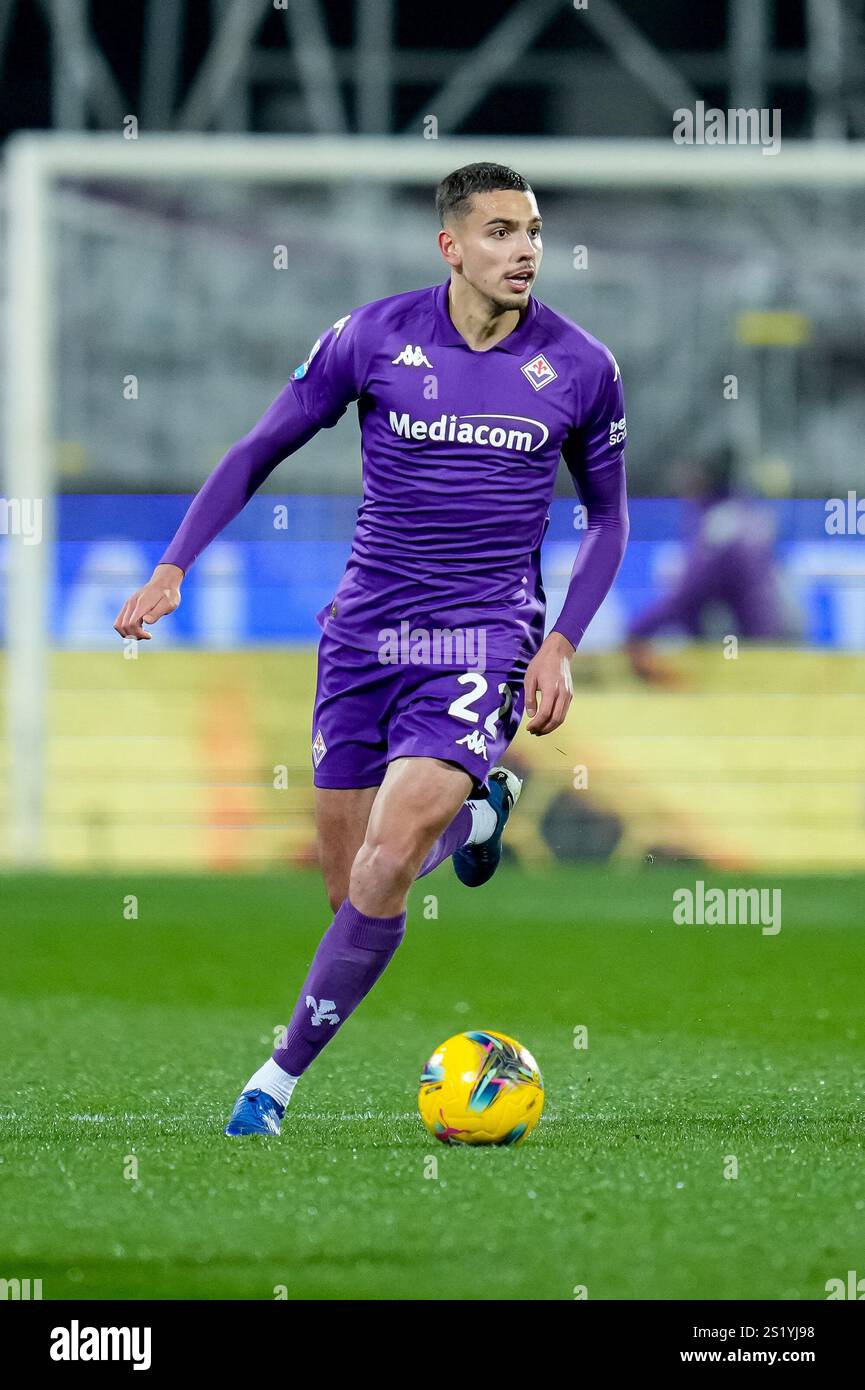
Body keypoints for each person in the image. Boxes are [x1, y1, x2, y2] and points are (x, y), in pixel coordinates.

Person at [113, 162, 630, 1137]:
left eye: (531, 231)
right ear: (451, 246)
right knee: (350, 881)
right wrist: (176, 565)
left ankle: (272, 1084)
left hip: (481, 638)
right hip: (363, 635)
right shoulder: (372, 337)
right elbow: (257, 446)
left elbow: (609, 519)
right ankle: (479, 826)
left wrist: (560, 641)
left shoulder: (580, 367)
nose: (523, 250)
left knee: (387, 863)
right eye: (499, 232)